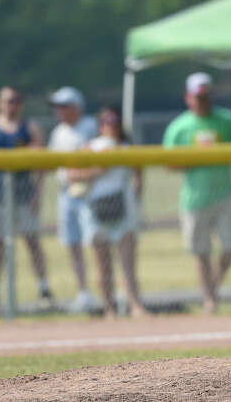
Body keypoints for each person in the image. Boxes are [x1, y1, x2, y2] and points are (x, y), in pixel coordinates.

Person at [163, 72, 231, 314]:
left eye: (206, 96)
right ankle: (210, 298)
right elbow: (168, 163)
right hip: (194, 198)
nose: (203, 101)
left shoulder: (227, 120)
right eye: (198, 96)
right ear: (188, 97)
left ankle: (212, 287)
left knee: (230, 248)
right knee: (201, 252)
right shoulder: (179, 126)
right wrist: (196, 157)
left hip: (225, 195)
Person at [0, 86, 52, 312]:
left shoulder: (30, 128)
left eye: (16, 101)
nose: (12, 105)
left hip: (24, 192)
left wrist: (37, 193)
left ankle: (44, 288)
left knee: (32, 241)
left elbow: (41, 164)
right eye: (8, 100)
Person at [66, 104, 148, 319]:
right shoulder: (90, 147)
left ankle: (135, 305)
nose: (111, 126)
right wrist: (98, 169)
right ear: (100, 125)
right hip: (96, 210)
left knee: (128, 262)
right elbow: (72, 175)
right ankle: (109, 308)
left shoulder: (127, 148)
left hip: (123, 208)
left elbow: (139, 175)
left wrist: (137, 195)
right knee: (102, 265)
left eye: (115, 121)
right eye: (106, 121)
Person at [47, 86, 98, 313]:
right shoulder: (59, 132)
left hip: (89, 192)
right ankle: (83, 292)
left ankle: (103, 289)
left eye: (64, 106)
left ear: (77, 107)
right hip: (67, 193)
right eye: (58, 106)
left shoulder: (90, 127)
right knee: (73, 244)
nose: (60, 111)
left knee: (96, 243)